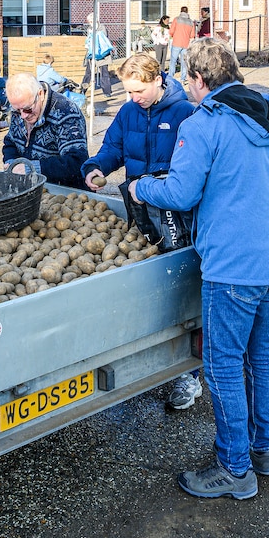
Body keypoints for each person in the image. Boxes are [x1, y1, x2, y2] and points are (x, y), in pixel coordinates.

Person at [131, 39, 269, 501]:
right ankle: (262, 452)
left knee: (224, 366)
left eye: (188, 80)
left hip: (233, 266)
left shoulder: (204, 123)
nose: (187, 88)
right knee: (261, 357)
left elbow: (181, 193)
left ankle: (234, 469)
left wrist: (140, 188)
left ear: (199, 80)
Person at [80, 53, 200, 410]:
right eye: (129, 91)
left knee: (181, 289)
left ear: (157, 80)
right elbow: (114, 147)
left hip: (178, 214)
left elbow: (191, 168)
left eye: (139, 90)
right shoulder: (129, 112)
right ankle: (147, 355)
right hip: (139, 210)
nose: (134, 97)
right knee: (146, 287)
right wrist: (96, 167)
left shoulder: (186, 113)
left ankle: (188, 375)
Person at [1, 73, 88, 189]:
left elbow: (76, 162)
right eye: (17, 110)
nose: (22, 116)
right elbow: (10, 141)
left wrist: (32, 168)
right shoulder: (21, 107)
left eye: (27, 109)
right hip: (32, 187)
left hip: (66, 191)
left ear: (40, 95)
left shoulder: (67, 112)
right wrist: (11, 162)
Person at [169, 7, 196, 79]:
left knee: (173, 61)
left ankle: (171, 77)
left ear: (180, 11)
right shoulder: (191, 22)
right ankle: (183, 78)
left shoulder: (176, 19)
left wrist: (172, 35)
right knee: (184, 62)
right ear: (187, 12)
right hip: (186, 44)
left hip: (176, 43)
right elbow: (192, 35)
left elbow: (171, 31)